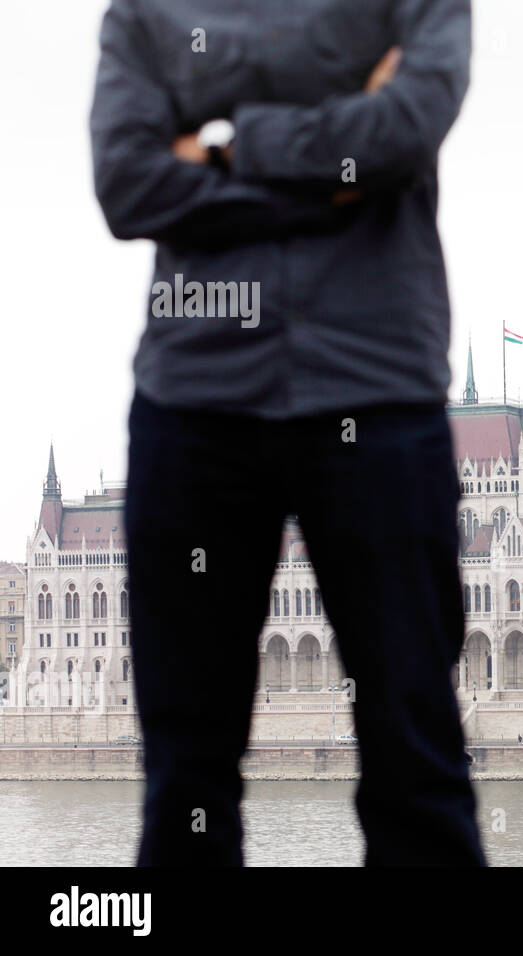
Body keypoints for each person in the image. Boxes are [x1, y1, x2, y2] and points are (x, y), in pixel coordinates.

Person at [90, 0, 482, 866]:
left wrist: (228, 147)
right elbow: (128, 183)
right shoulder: (146, 13)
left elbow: (409, 124)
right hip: (197, 402)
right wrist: (336, 166)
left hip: (373, 393)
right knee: (185, 782)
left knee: (417, 768)